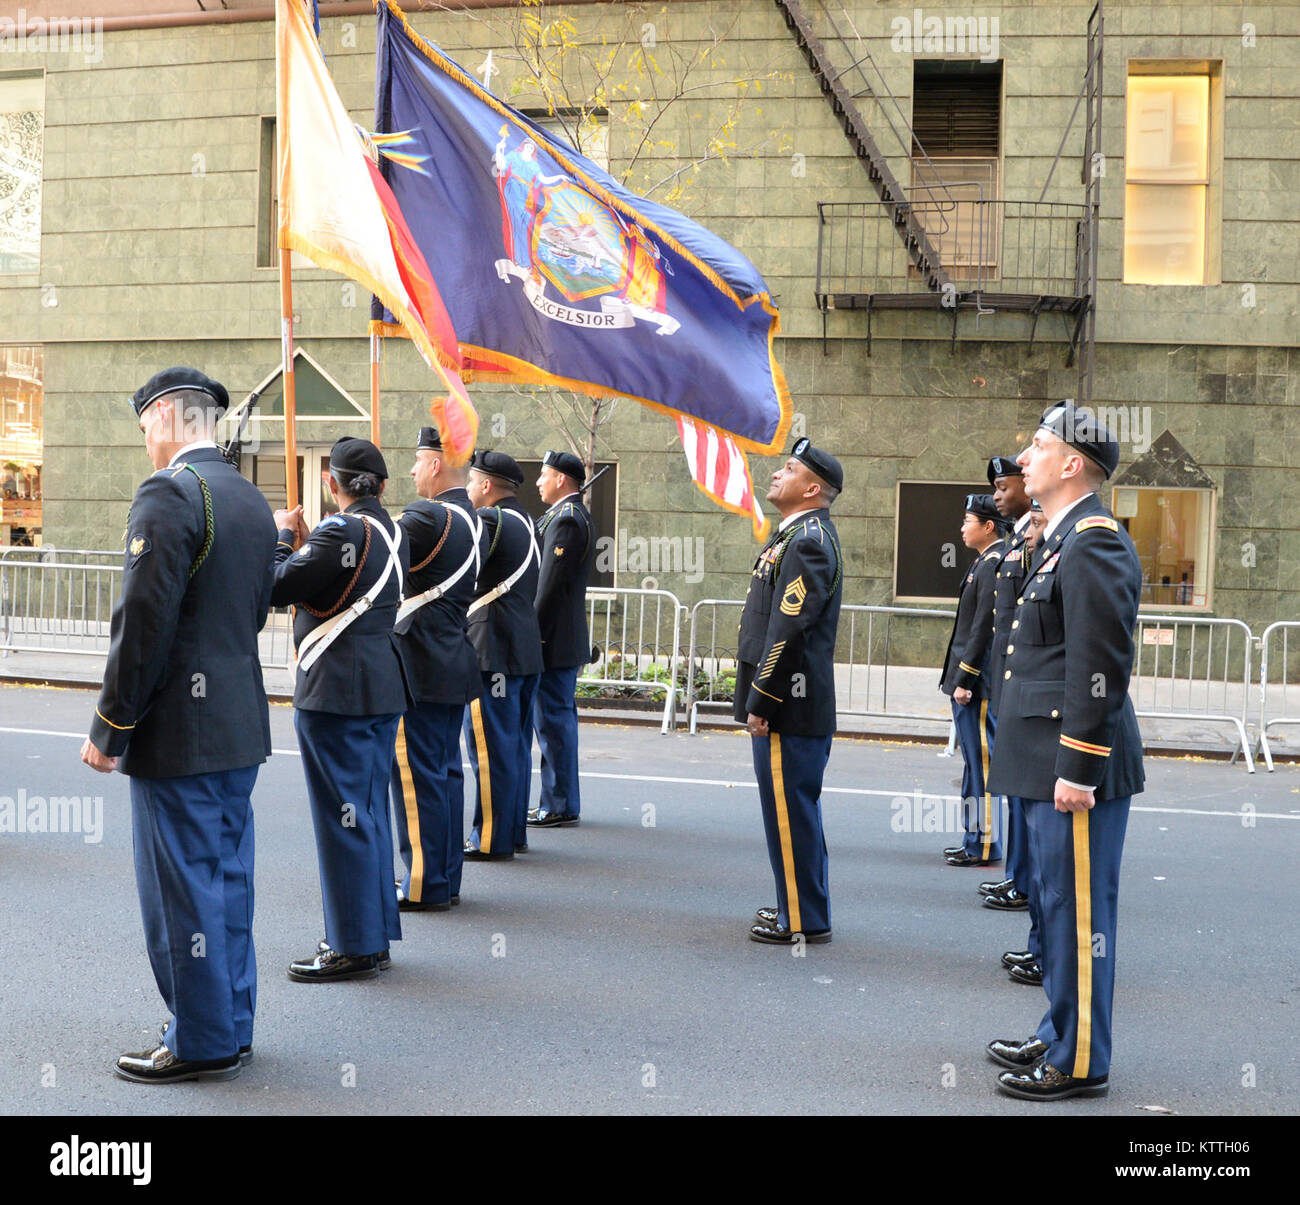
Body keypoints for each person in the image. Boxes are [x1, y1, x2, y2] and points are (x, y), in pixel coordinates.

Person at [83, 367, 276, 1084]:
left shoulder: (171, 491)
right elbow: (252, 611)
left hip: (180, 733)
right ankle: (232, 1020)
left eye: (143, 428)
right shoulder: (250, 498)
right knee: (227, 882)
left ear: (165, 417)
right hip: (237, 726)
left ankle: (199, 1039)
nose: (144, 443)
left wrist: (110, 727)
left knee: (183, 894)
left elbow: (144, 622)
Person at [985, 401, 1144, 1101]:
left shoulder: (1094, 539)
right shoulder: (1061, 536)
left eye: (1038, 444)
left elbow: (1099, 662)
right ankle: (1060, 1029)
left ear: (1073, 461)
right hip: (1044, 760)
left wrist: (1078, 766)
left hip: (1074, 767)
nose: (1025, 456)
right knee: (1054, 907)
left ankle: (1082, 1060)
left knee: (1079, 916)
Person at [270, 437, 408, 981]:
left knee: (343, 818)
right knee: (367, 812)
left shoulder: (339, 530)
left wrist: (284, 535)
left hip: (336, 690)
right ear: (381, 486)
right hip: (380, 685)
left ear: (332, 483)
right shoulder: (390, 531)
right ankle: (372, 937)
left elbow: (279, 585)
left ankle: (351, 943)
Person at [736, 438, 844, 946]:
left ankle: (800, 918)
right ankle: (798, 905)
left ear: (813, 487)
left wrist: (764, 699)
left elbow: (789, 627)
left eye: (791, 468)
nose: (778, 474)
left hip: (791, 703)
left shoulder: (807, 540)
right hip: (792, 700)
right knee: (792, 810)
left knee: (790, 812)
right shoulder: (798, 534)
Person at [389, 426, 483, 911]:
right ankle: (444, 878)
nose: (410, 470)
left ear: (436, 464)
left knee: (417, 777)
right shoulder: (468, 517)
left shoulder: (428, 515)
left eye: (416, 459)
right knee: (444, 774)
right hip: (449, 659)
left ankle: (423, 883)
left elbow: (375, 555)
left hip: (420, 662)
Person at [462, 450, 543, 859]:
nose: (469, 489)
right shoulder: (528, 522)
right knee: (512, 747)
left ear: (487, 486)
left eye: (472, 482)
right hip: (524, 649)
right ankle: (511, 833)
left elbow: (459, 567)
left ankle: (491, 839)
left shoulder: (490, 521)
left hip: (492, 649)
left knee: (490, 752)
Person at [939, 493, 1009, 867]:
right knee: (973, 763)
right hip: (969, 682)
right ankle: (973, 839)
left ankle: (984, 844)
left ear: (988, 526)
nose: (962, 528)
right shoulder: (984, 562)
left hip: (977, 684)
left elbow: (984, 628)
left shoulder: (993, 563)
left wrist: (965, 678)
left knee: (982, 764)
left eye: (968, 521)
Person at [526, 449, 595, 829]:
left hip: (552, 639)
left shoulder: (567, 520)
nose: (538, 482)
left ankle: (559, 802)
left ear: (562, 481)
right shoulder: (561, 515)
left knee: (553, 723)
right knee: (554, 721)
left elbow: (548, 586)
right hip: (555, 638)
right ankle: (560, 800)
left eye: (544, 475)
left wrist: (529, 633)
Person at [979, 456, 1034, 916]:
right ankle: (1018, 876)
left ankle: (1024, 879)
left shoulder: (1040, 533)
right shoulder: (1018, 537)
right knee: (1014, 790)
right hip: (1007, 684)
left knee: (1024, 796)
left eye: (1003, 486)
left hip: (1027, 692)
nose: (998, 495)